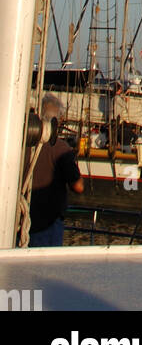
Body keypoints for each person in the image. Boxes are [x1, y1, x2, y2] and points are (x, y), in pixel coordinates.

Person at [27, 97, 85, 247]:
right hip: (47, 225)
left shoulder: (23, 144)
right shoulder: (60, 149)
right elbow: (78, 187)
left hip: (20, 220)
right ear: (56, 121)